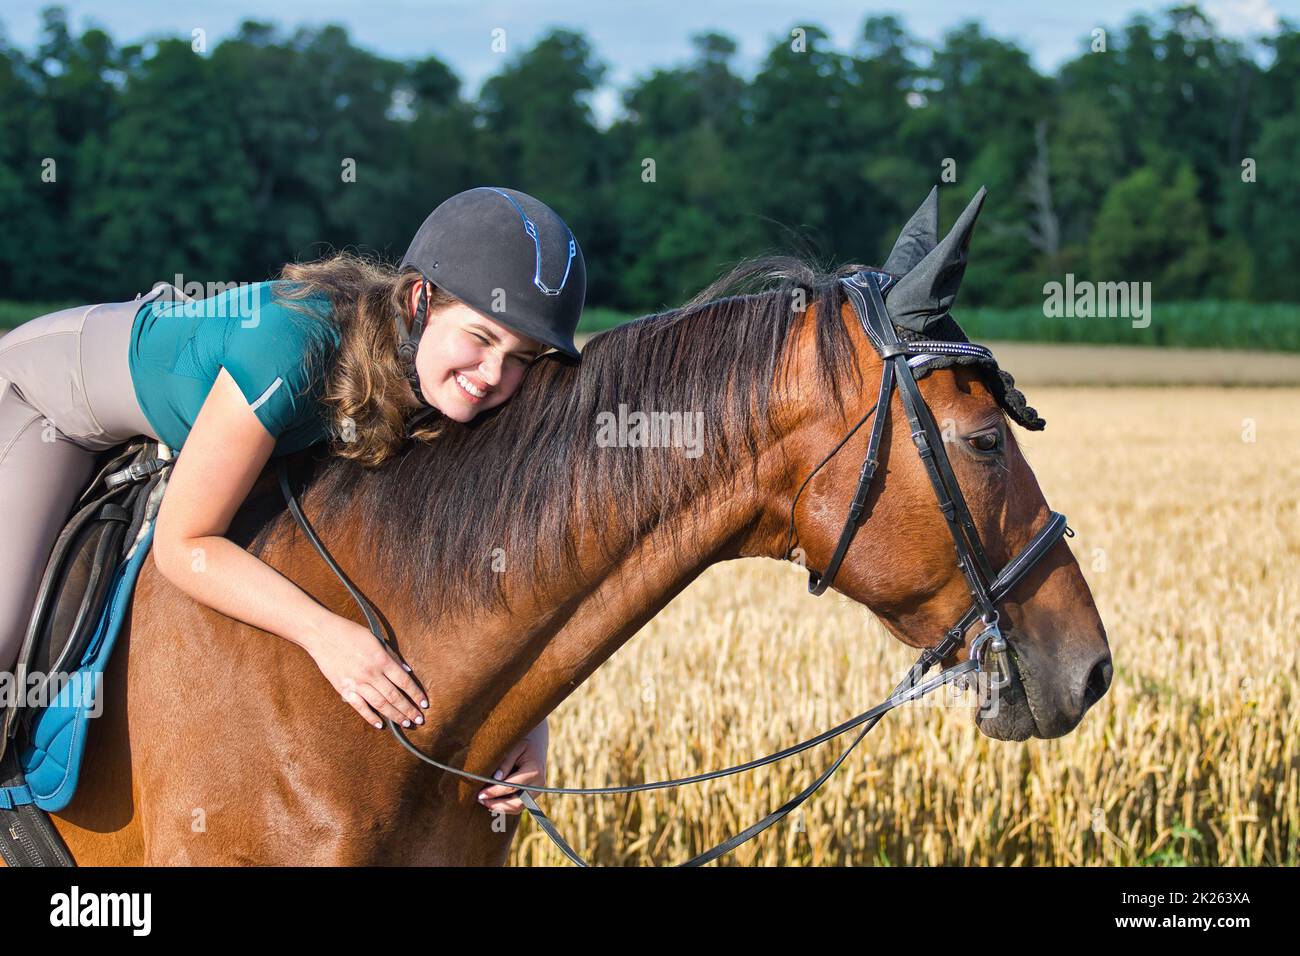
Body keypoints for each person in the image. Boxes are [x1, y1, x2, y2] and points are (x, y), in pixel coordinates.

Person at [0, 186, 585, 816]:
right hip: (48, 397)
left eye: (521, 357)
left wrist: (527, 723)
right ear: (419, 300)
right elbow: (183, 544)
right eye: (481, 337)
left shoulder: (448, 387)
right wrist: (326, 636)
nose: (494, 375)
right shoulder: (295, 343)